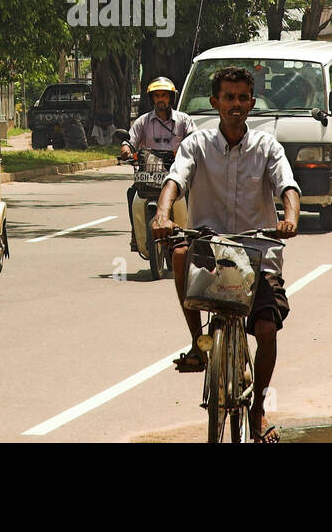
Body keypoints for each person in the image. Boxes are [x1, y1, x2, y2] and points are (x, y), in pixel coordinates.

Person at [152, 66, 300, 443]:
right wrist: (163, 213)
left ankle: (260, 407)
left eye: (242, 98)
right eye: (228, 98)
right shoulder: (196, 145)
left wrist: (290, 217)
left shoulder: (267, 147)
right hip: (210, 252)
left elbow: (287, 185)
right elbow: (175, 180)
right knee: (181, 253)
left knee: (266, 330)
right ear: (215, 102)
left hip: (257, 253)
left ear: (251, 103)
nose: (235, 105)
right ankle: (198, 346)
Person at [120, 77, 195, 251]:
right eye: (157, 96)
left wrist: (186, 151)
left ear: (171, 98)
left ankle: (192, 233)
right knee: (132, 193)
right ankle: (135, 233)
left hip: (177, 172)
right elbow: (130, 141)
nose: (160, 99)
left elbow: (194, 139)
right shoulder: (143, 121)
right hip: (150, 173)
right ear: (152, 98)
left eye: (164, 95)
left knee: (193, 194)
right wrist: (125, 149)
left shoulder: (184, 120)